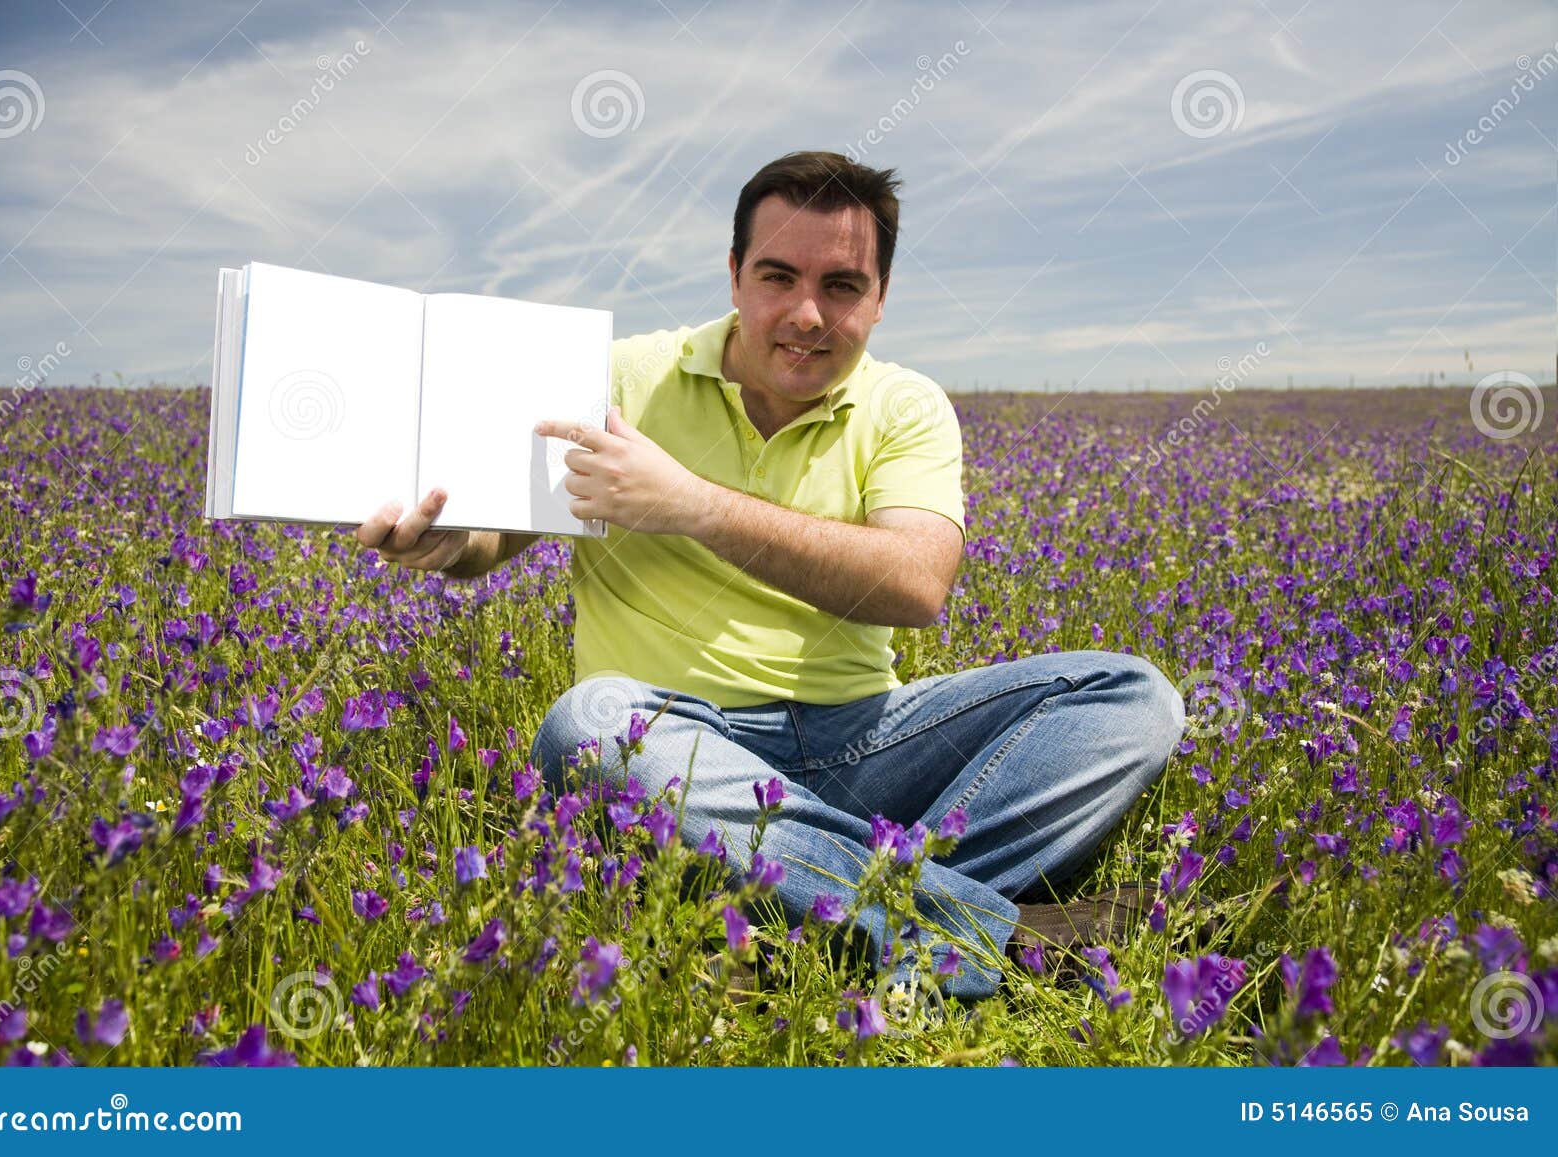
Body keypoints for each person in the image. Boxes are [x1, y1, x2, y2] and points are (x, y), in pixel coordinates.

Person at [356, 150, 1187, 1002]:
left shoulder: (906, 405)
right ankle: (987, 933)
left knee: (1134, 698)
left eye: (842, 286)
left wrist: (691, 504)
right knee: (588, 727)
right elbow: (495, 535)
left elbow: (916, 582)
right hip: (675, 741)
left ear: (881, 297)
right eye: (777, 276)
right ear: (733, 274)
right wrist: (448, 545)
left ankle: (806, 910)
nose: (806, 314)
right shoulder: (621, 378)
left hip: (863, 744)